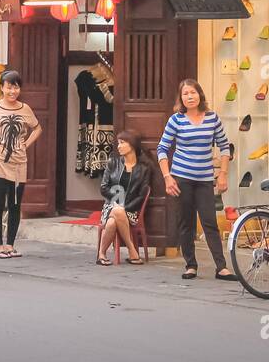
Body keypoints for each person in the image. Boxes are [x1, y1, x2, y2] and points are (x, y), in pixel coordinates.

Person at [157, 79, 237, 281]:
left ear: (200, 94)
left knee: (210, 222)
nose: (190, 97)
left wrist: (223, 173)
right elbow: (162, 149)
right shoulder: (176, 120)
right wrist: (168, 177)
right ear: (181, 98)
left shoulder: (212, 118)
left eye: (193, 92)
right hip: (182, 178)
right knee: (186, 223)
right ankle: (191, 265)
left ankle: (221, 267)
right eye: (185, 94)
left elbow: (224, 146)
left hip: (204, 179)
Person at [0, 71, 41, 259]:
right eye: (9, 87)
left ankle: (10, 245)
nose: (12, 91)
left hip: (19, 162)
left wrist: (26, 144)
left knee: (15, 204)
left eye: (16, 87)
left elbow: (37, 128)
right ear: (2, 87)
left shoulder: (25, 109)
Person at [97, 130, 152, 265]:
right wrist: (117, 201)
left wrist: (124, 207)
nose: (118, 146)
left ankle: (101, 255)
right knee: (114, 214)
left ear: (132, 145)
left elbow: (141, 195)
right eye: (118, 143)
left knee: (113, 220)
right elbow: (103, 188)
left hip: (131, 210)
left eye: (122, 143)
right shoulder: (113, 163)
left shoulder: (144, 169)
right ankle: (132, 251)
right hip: (110, 206)